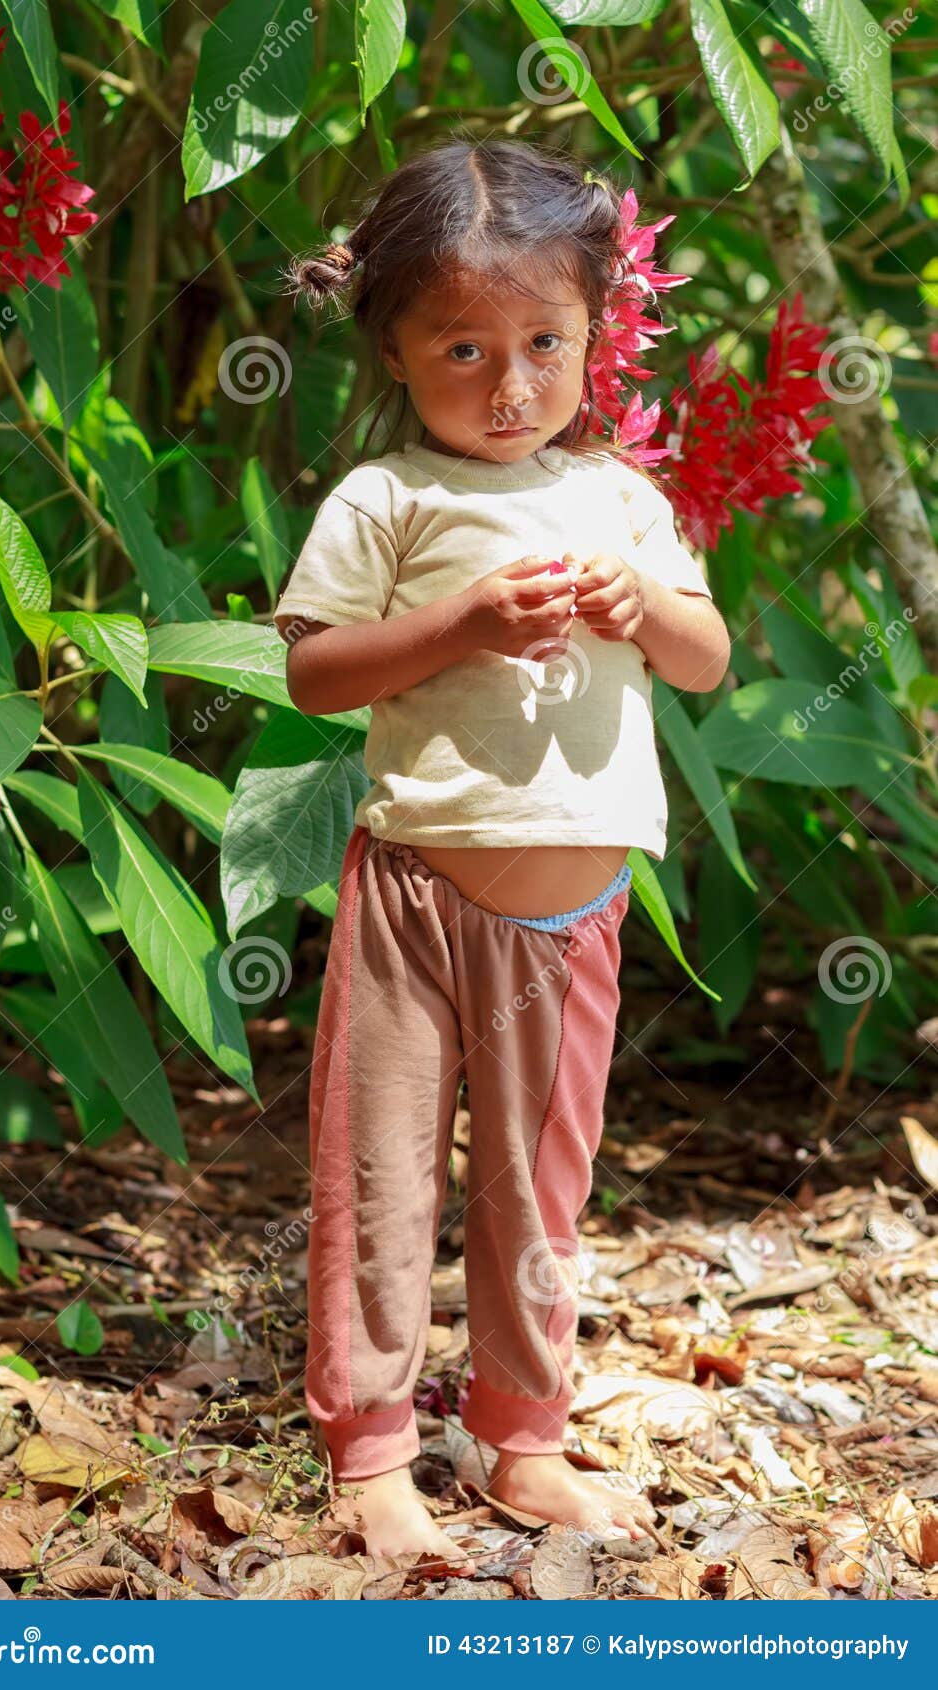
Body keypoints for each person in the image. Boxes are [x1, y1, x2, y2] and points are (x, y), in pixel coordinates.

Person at [273, 138, 730, 1572]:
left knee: (541, 1184)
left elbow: (706, 659)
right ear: (395, 348)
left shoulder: (625, 505)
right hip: (417, 893)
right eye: (463, 347)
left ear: (598, 332)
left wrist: (643, 604)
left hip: (573, 909)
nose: (512, 382)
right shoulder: (384, 501)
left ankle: (523, 1435)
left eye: (546, 340)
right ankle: (372, 1451)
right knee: (383, 1176)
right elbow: (316, 675)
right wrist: (462, 623)